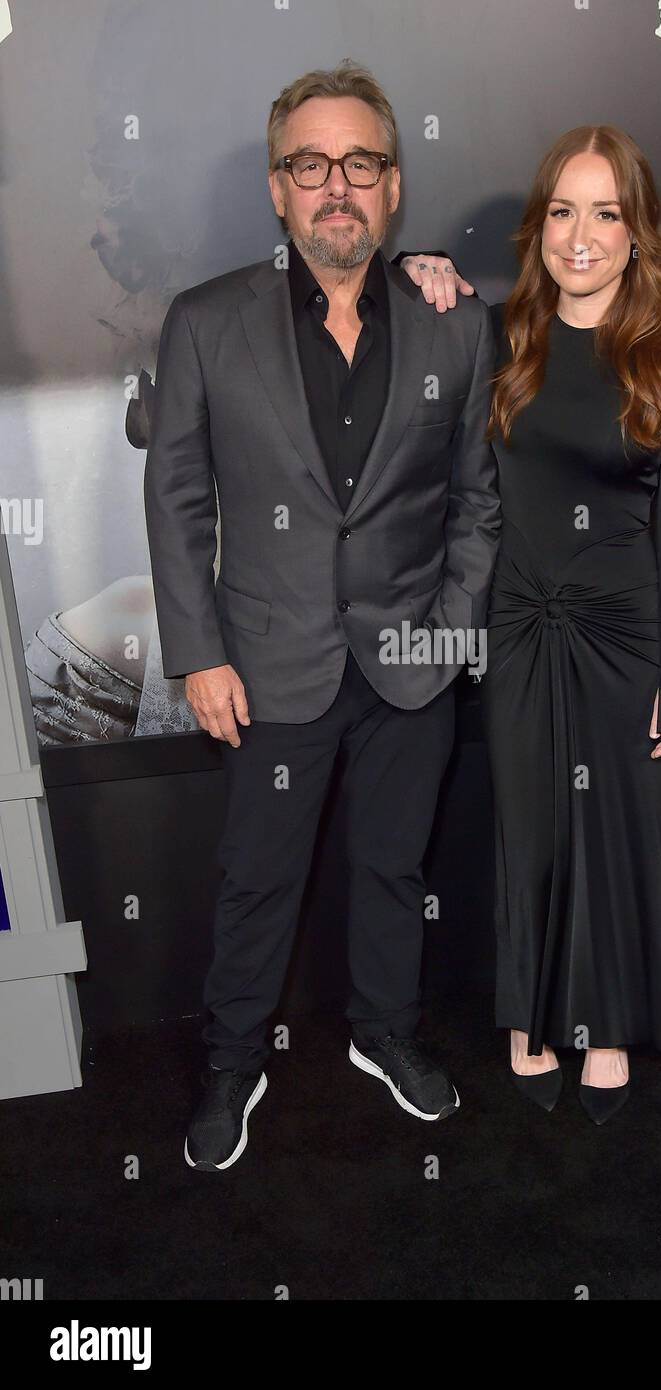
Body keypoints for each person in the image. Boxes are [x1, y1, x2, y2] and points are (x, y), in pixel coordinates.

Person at [143, 61, 500, 1170]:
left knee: (395, 867)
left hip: (410, 662)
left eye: (359, 163)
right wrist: (197, 652)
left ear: (392, 187)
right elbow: (176, 496)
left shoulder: (453, 323)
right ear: (275, 186)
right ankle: (232, 1061)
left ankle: (384, 1033)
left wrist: (449, 627)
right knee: (258, 879)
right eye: (310, 165)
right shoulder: (206, 324)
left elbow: (477, 496)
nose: (334, 185)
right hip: (265, 662)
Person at [399, 124, 661, 1121]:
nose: (580, 235)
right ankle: (529, 1016)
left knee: (618, 833)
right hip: (519, 626)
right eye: (563, 212)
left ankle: (609, 1025)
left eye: (606, 213)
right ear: (538, 225)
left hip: (626, 638)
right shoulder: (499, 338)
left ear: (637, 232)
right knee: (529, 827)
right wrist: (422, 270)